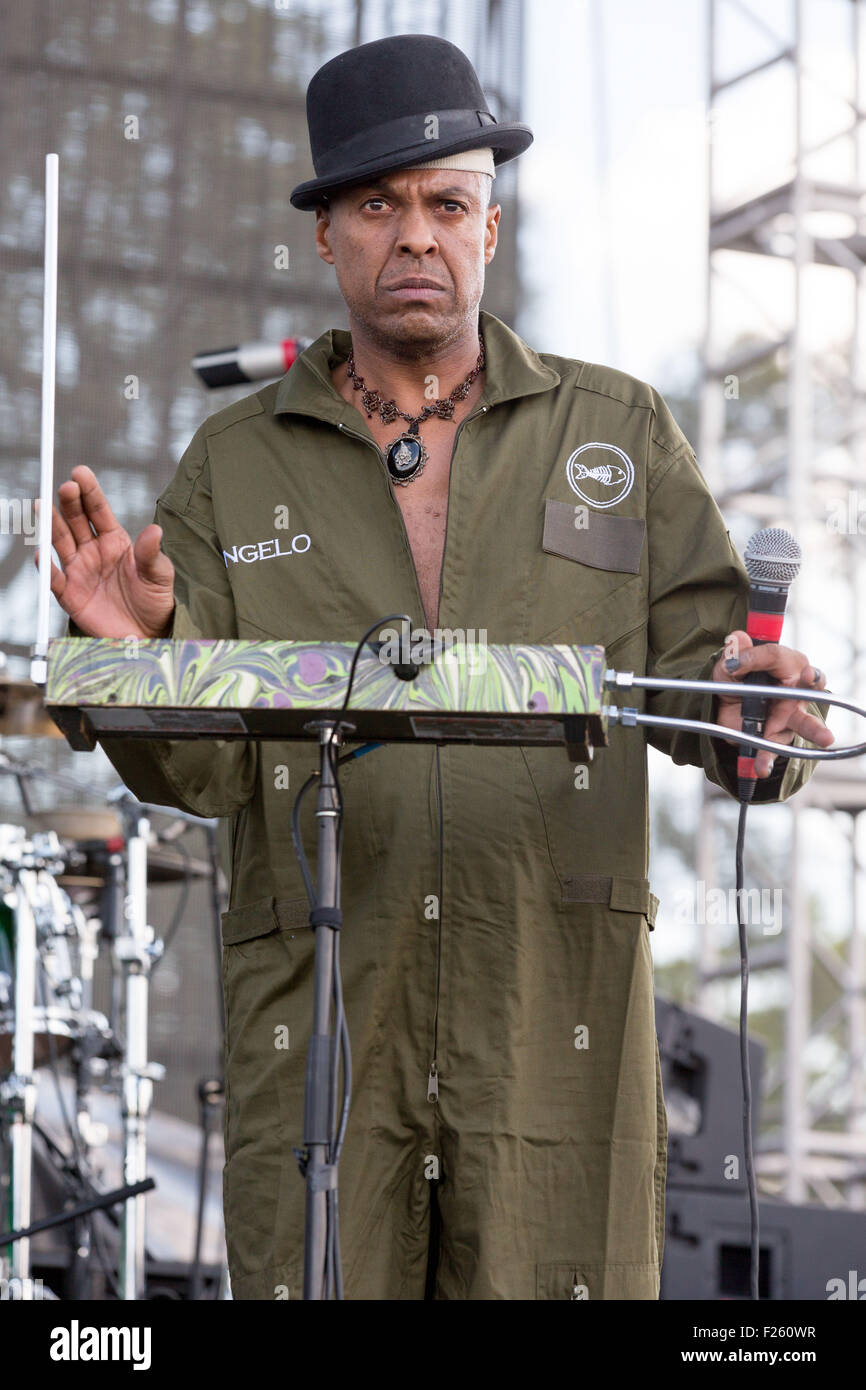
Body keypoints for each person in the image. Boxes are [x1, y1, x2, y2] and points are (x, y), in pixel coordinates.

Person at [44, 35, 832, 1300]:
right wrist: (128, 657)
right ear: (324, 236)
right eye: (377, 204)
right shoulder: (234, 462)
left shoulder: (617, 435)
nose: (415, 235)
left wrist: (762, 711)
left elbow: (717, 701)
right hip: (320, 1035)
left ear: (489, 226)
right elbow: (190, 762)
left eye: (445, 203)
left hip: (550, 1038)